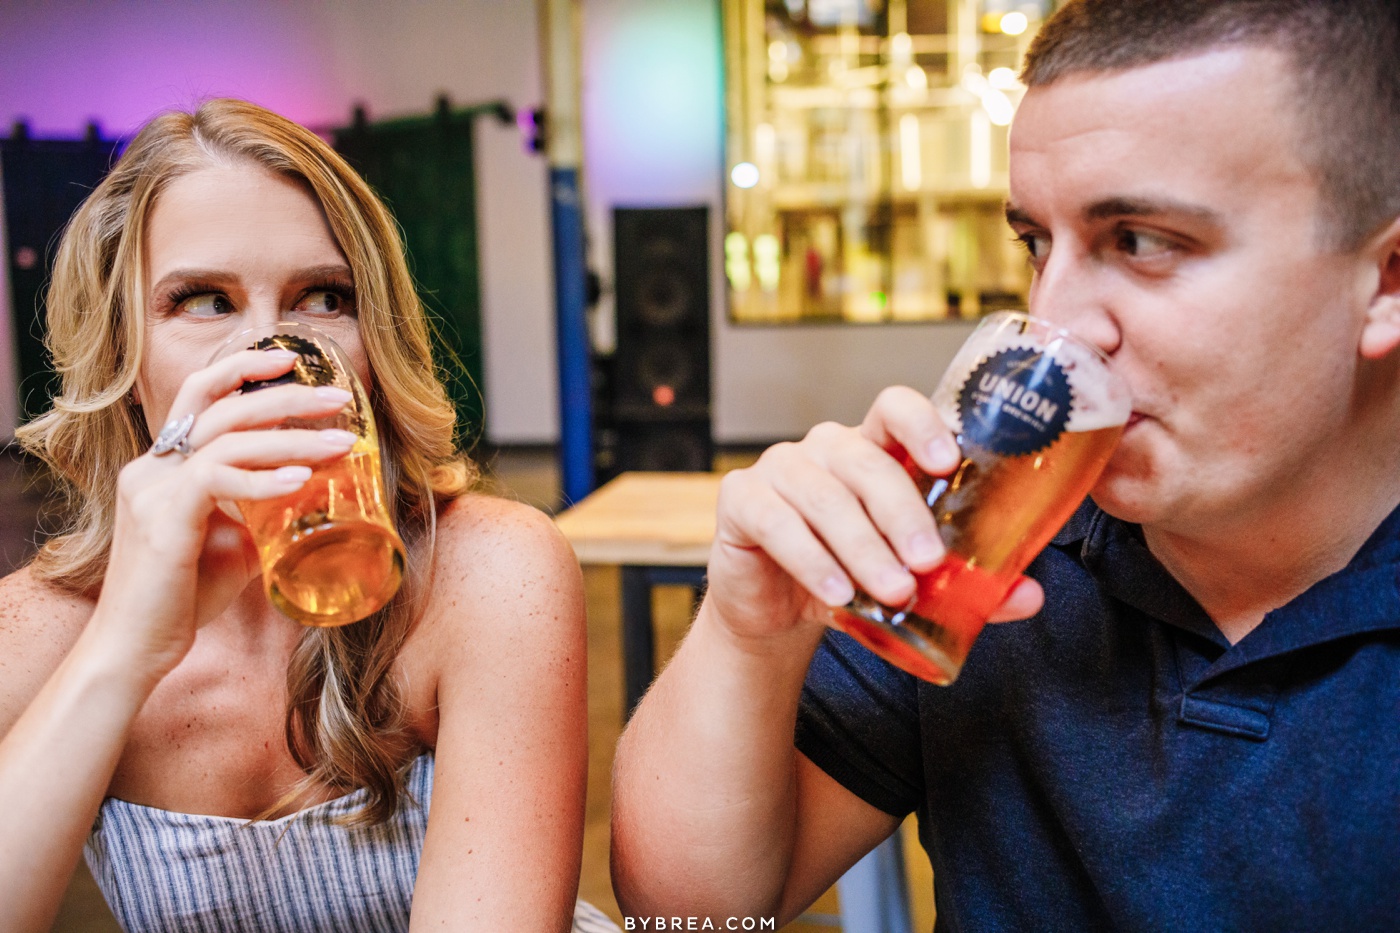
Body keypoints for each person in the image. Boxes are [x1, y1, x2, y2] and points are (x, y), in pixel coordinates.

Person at [610, 1, 1400, 929]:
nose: (1058, 320)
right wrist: (750, 637)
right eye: (1035, 242)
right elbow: (685, 916)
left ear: (1384, 283)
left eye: (1140, 242)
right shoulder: (992, 543)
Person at [0, 98, 614, 933]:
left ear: (374, 339)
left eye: (323, 296)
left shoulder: (492, 570)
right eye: (204, 301)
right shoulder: (37, 624)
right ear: (121, 357)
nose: (271, 353)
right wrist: (121, 651)